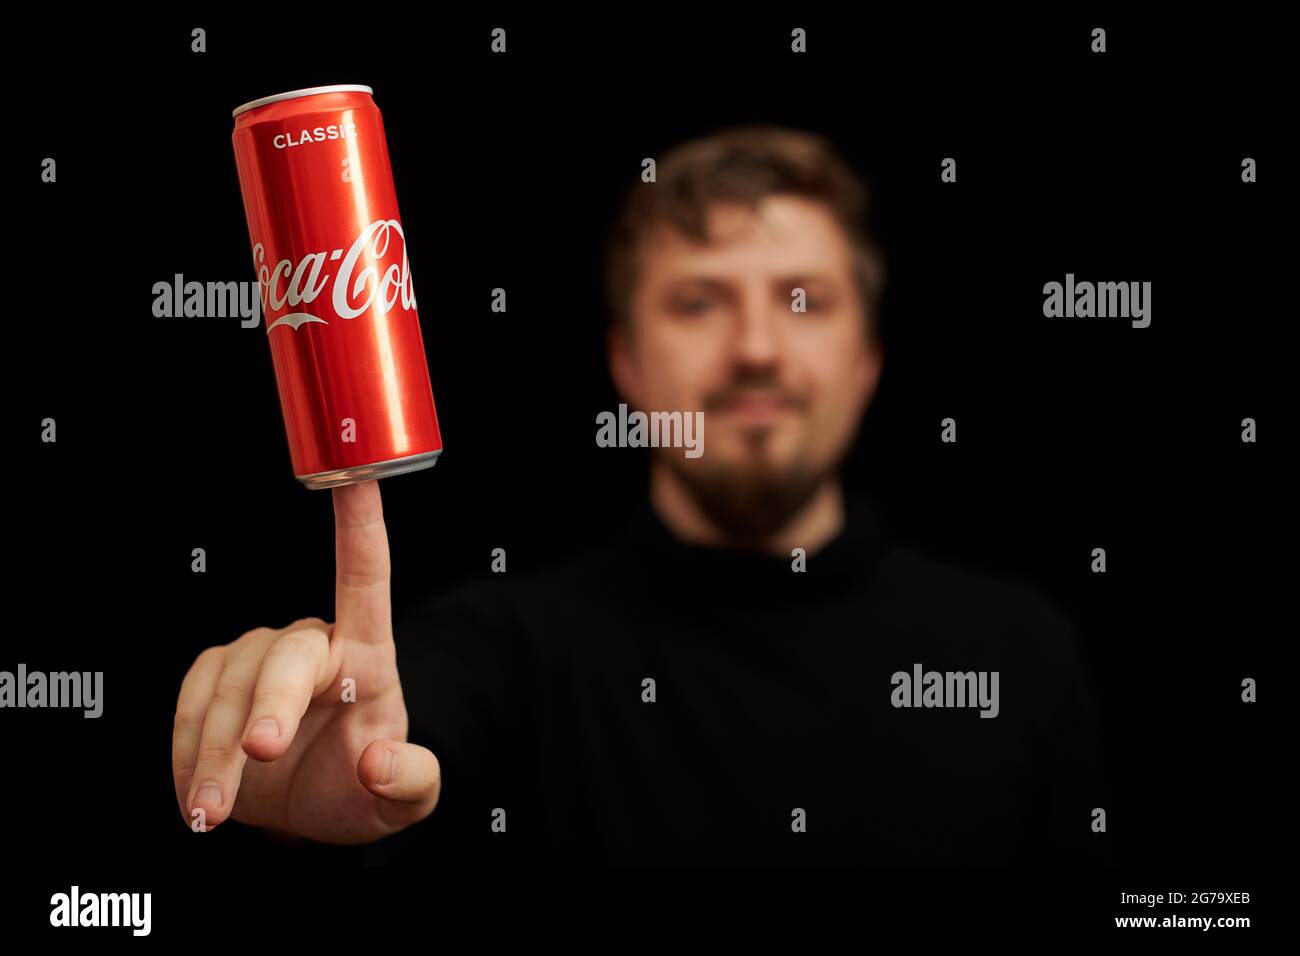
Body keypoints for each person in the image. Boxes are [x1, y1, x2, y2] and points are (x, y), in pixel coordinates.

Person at [172, 125, 1104, 865]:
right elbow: (397, 734)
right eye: (698, 301)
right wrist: (298, 785)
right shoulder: (504, 649)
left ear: (869, 359)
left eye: (803, 301)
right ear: (624, 359)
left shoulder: (1017, 649)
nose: (756, 349)